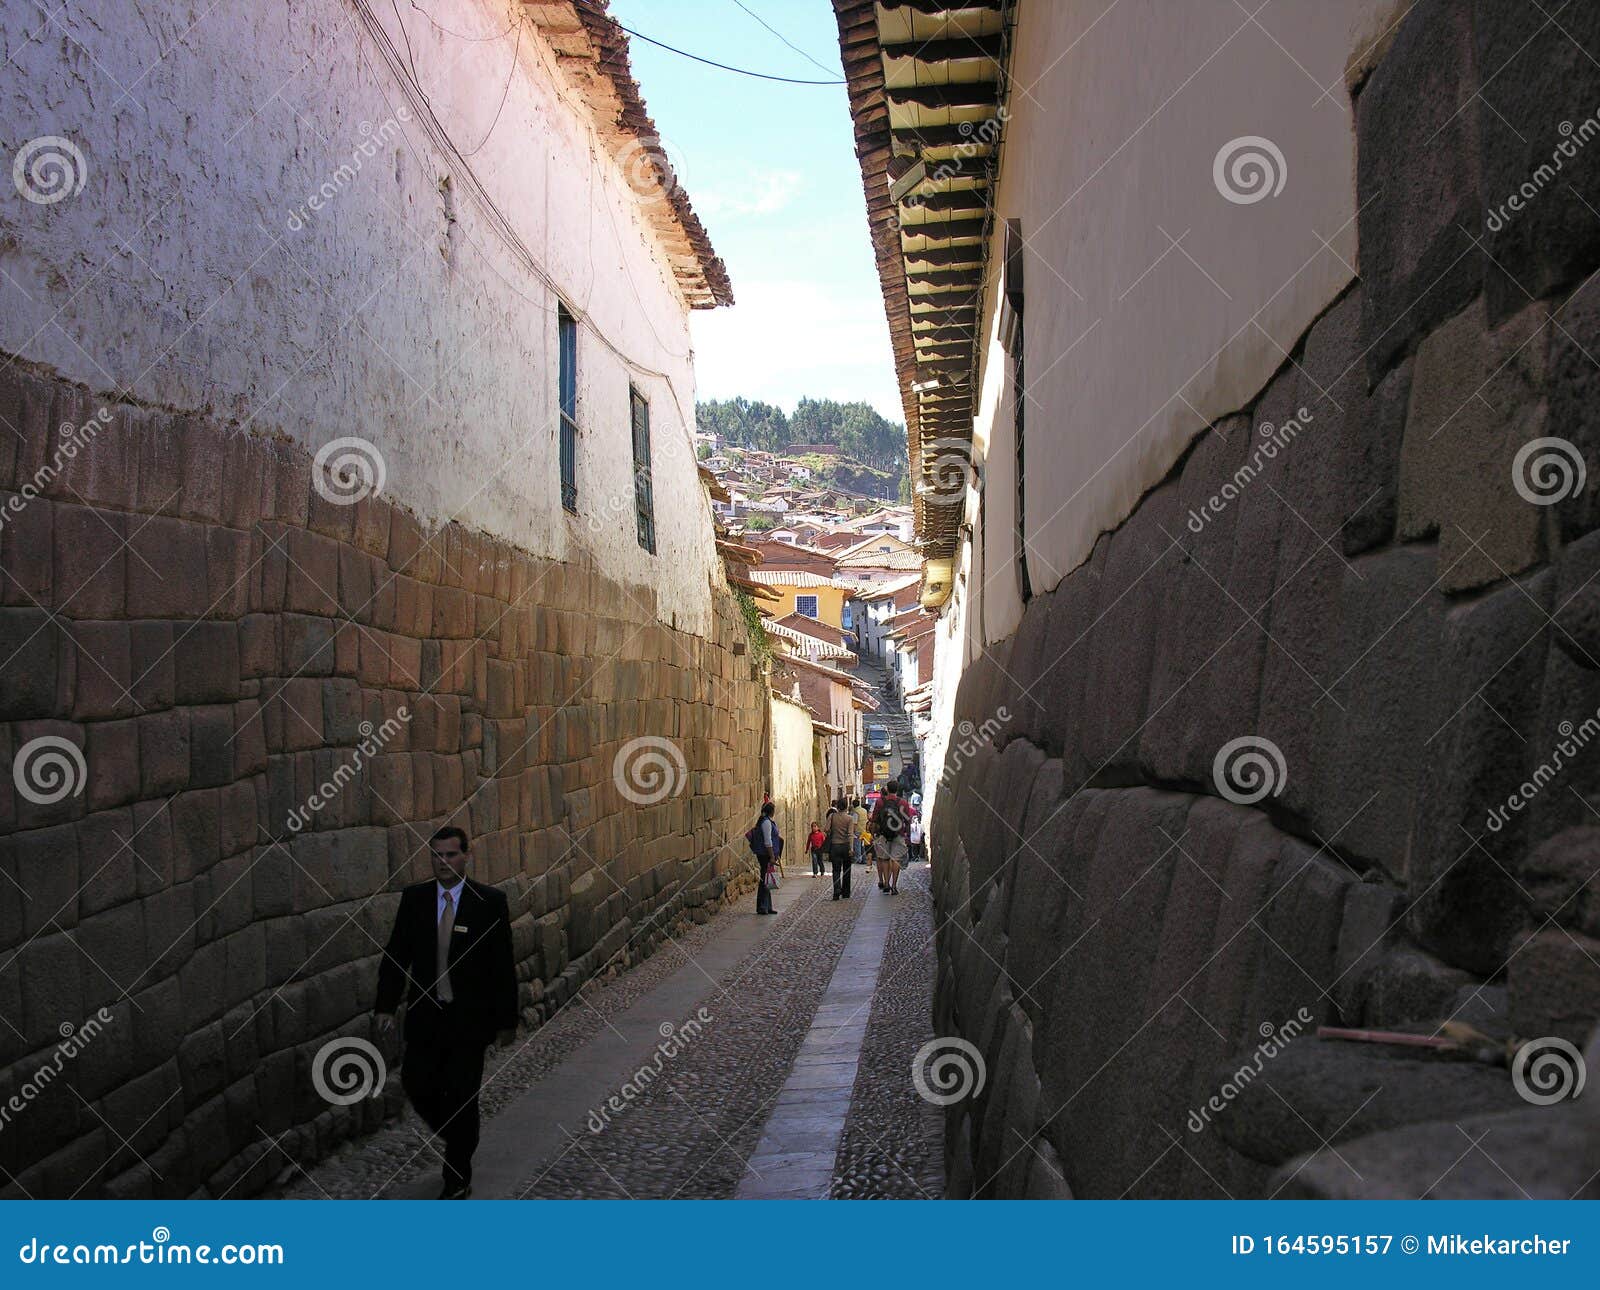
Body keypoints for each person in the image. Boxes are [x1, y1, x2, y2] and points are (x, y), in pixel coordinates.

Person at [375, 826, 517, 1199]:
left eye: (450, 854)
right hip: (425, 1017)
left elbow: (502, 965)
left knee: (462, 1094)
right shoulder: (415, 900)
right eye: (436, 855)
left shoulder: (488, 902)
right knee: (417, 1084)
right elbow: (396, 957)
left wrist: (506, 1021)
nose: (443, 862)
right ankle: (461, 1136)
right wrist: (385, 1007)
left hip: (469, 1021)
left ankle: (457, 1177)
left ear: (466, 856)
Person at [871, 780, 911, 895]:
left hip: (883, 834)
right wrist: (907, 836)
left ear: (887, 789)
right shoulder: (903, 803)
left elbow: (874, 820)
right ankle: (894, 886)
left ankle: (886, 884)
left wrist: (874, 834)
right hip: (898, 834)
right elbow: (907, 821)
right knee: (895, 860)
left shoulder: (880, 802)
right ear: (897, 789)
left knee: (884, 859)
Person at [752, 802, 781, 916]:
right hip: (765, 854)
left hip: (766, 854)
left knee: (766, 878)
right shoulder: (767, 823)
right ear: (771, 811)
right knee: (765, 879)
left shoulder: (766, 821)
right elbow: (768, 841)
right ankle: (762, 906)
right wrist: (772, 856)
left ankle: (767, 906)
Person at [824, 797, 855, 900]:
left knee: (836, 870)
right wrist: (851, 848)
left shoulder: (832, 816)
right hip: (845, 846)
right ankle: (846, 892)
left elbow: (826, 829)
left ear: (837, 806)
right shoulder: (849, 818)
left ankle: (836, 891)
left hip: (835, 845)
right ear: (846, 807)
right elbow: (850, 834)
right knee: (846, 870)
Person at [851, 797, 869, 866]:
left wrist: (852, 831)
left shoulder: (856, 812)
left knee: (857, 845)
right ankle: (864, 859)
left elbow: (854, 823)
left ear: (853, 805)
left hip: (858, 831)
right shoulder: (864, 810)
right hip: (864, 830)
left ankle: (858, 859)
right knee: (863, 846)